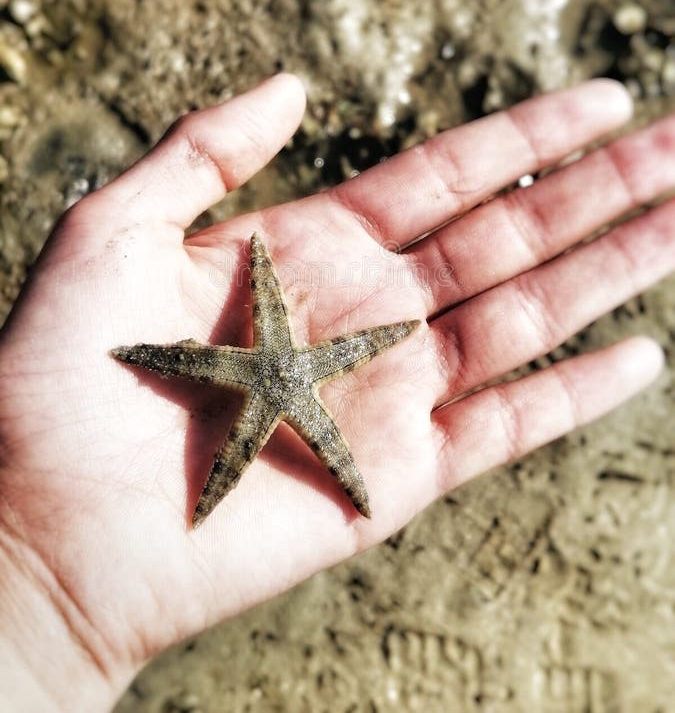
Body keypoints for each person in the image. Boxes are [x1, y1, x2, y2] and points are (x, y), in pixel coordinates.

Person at [0, 74, 672, 711]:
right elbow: (266, 316)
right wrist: (37, 576)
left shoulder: (288, 352)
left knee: (289, 435)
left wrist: (39, 598)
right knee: (279, 433)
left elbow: (295, 318)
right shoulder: (275, 356)